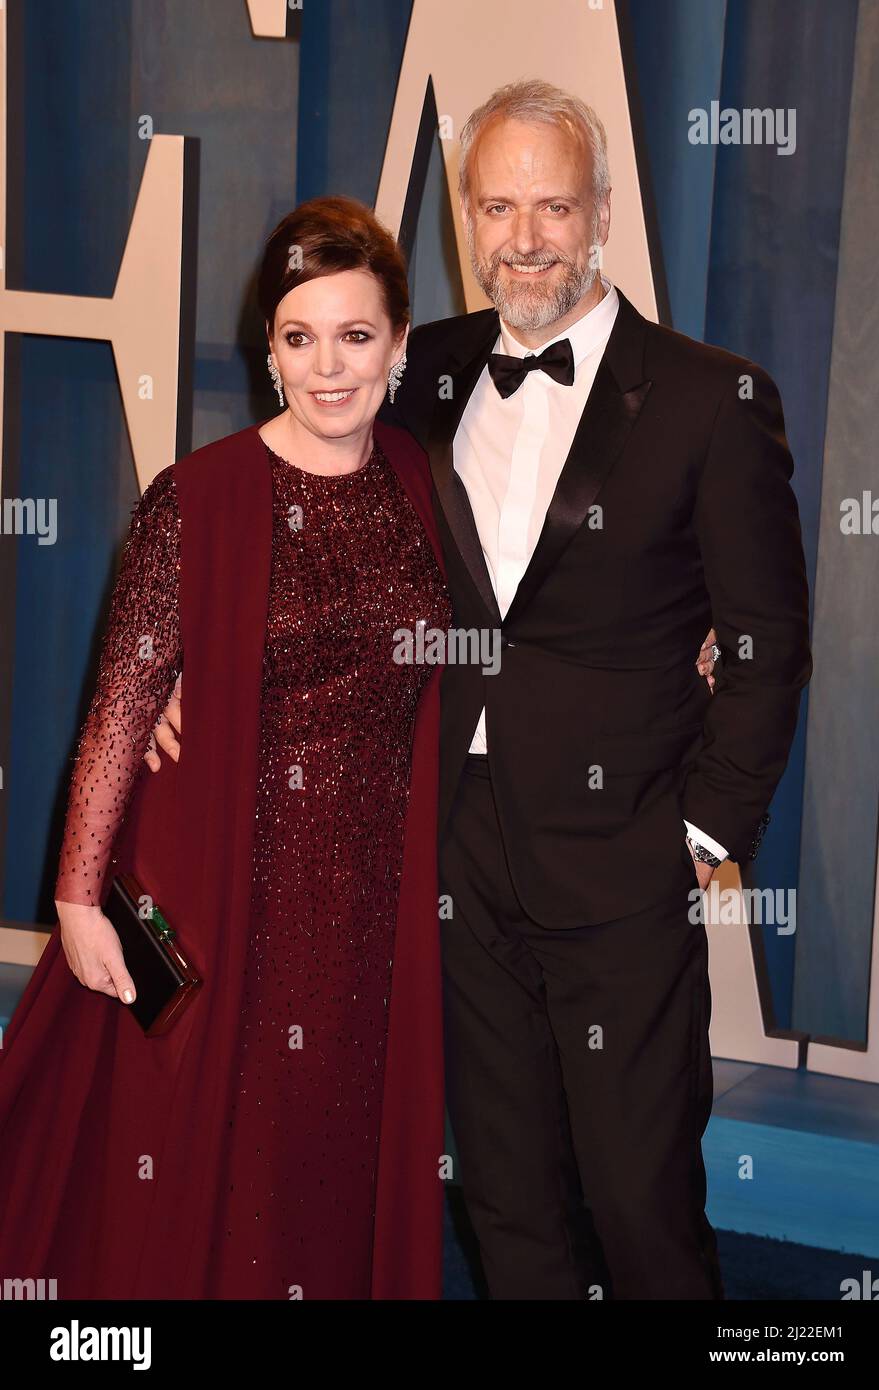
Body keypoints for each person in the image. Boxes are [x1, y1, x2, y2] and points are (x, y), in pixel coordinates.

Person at [150, 82, 804, 1301]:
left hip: (621, 864)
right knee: (503, 1201)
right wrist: (188, 658)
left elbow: (771, 641)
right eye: (497, 204)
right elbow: (293, 501)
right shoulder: (423, 367)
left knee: (641, 1201)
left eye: (553, 204)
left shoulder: (715, 399)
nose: (524, 236)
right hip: (440, 857)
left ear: (602, 212)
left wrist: (702, 833)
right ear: (463, 217)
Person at [0, 195, 452, 1300]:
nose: (329, 367)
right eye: (301, 339)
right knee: (193, 1151)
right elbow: (118, 711)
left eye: (356, 336)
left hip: (367, 905)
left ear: (399, 342)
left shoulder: (424, 482)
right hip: (210, 890)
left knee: (326, 1151)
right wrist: (73, 901)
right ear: (269, 351)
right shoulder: (197, 497)